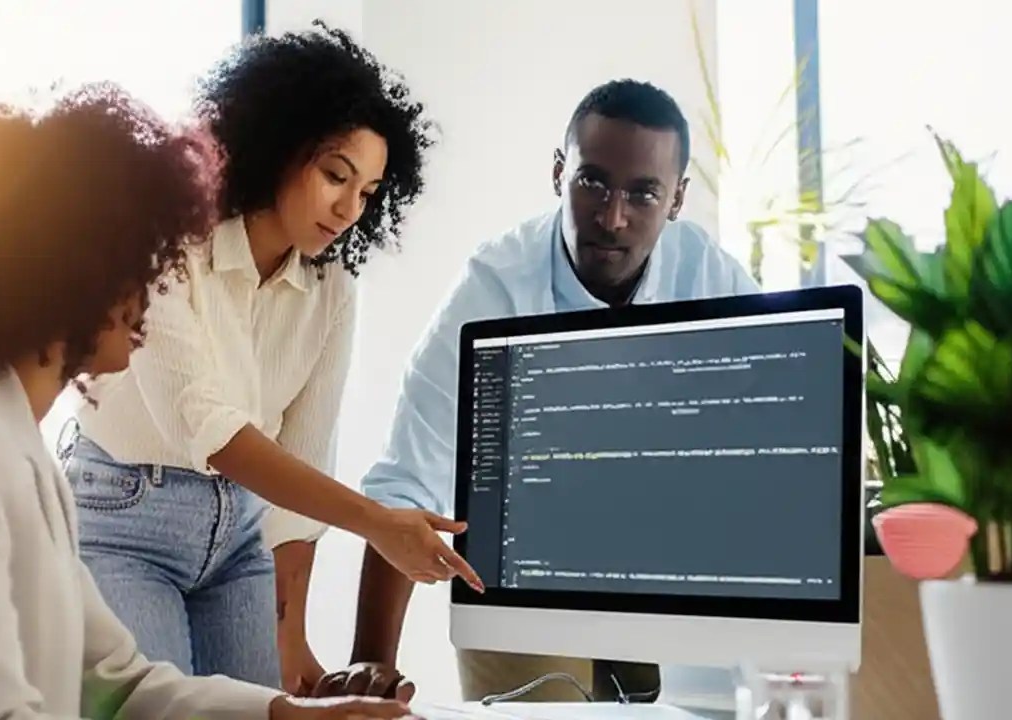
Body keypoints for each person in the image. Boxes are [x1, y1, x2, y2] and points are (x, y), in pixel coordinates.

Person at [0, 83, 413, 720]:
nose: (152, 284)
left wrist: (290, 714)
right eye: (141, 257)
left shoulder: (11, 448)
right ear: (70, 270)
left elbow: (118, 684)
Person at [60, 21, 482, 698]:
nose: (349, 208)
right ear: (277, 147)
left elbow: (305, 452)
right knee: (151, 714)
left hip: (240, 546)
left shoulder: (332, 288)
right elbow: (211, 426)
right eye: (335, 175)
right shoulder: (170, 239)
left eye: (369, 191)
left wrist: (292, 630)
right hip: (123, 521)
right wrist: (377, 523)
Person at [315, 79, 760, 703]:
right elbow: (408, 484)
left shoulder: (709, 278)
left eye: (643, 193)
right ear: (558, 172)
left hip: (665, 560)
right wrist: (368, 669)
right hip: (528, 574)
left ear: (678, 198)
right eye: (593, 182)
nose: (613, 217)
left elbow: (774, 430)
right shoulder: (494, 290)